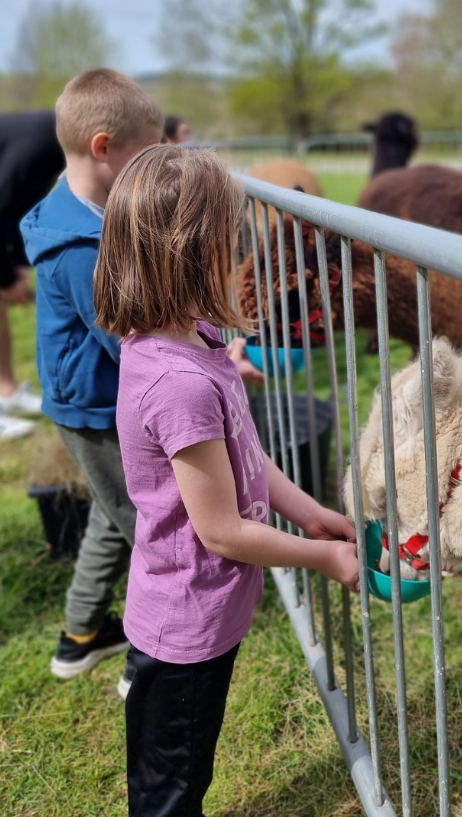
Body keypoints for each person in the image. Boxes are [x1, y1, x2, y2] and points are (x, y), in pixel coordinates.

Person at [93, 143, 359, 815]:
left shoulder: (200, 337)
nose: (241, 257)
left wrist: (309, 513)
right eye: (231, 241)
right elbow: (222, 532)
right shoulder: (176, 383)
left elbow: (245, 452)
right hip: (185, 623)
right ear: (192, 253)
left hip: (201, 612)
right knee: (171, 786)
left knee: (181, 765)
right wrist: (324, 558)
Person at [20, 69, 164, 697]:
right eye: (145, 155)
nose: (151, 169)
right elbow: (125, 336)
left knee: (113, 513)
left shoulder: (78, 211)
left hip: (92, 398)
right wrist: (191, 360)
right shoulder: (82, 245)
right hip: (98, 405)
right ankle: (149, 660)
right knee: (151, 530)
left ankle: (80, 637)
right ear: (103, 147)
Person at [0, 110, 65, 439]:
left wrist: (18, 265)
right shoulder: (41, 143)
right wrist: (4, 280)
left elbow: (21, 204)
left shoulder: (55, 145)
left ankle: (7, 391)